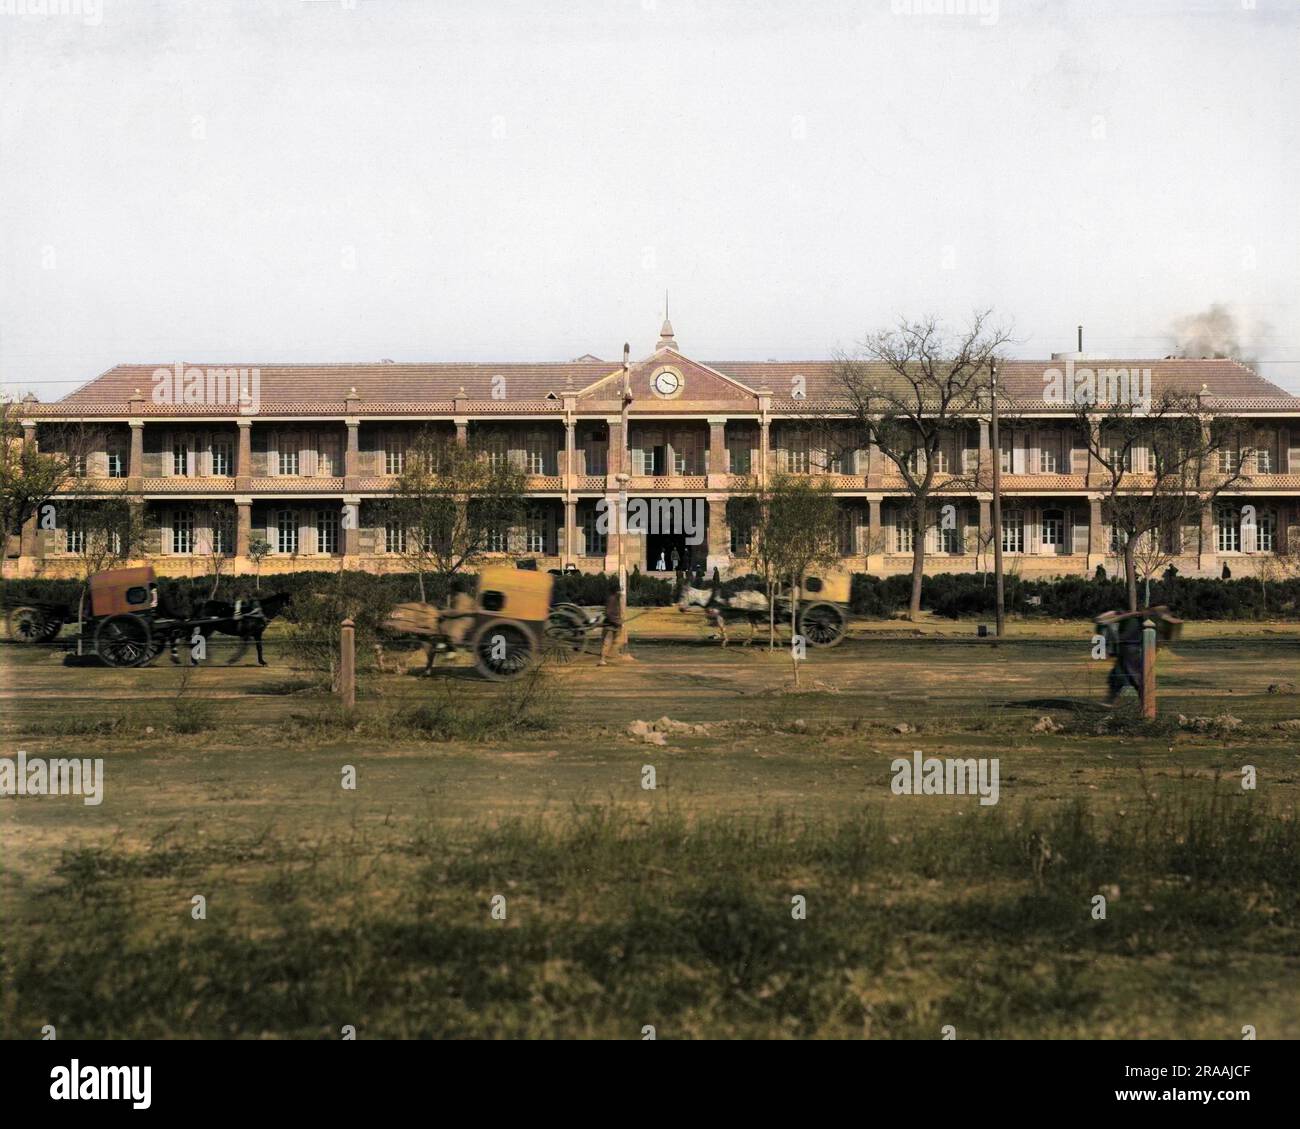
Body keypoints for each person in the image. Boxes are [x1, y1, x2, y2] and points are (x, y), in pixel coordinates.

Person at [598, 581, 623, 666]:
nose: (620, 592)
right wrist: (616, 621)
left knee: (617, 641)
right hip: (610, 625)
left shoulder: (616, 599)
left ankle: (611, 655)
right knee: (607, 642)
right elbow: (608, 613)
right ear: (616, 591)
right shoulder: (612, 599)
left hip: (615, 624)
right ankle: (602, 660)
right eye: (619, 591)